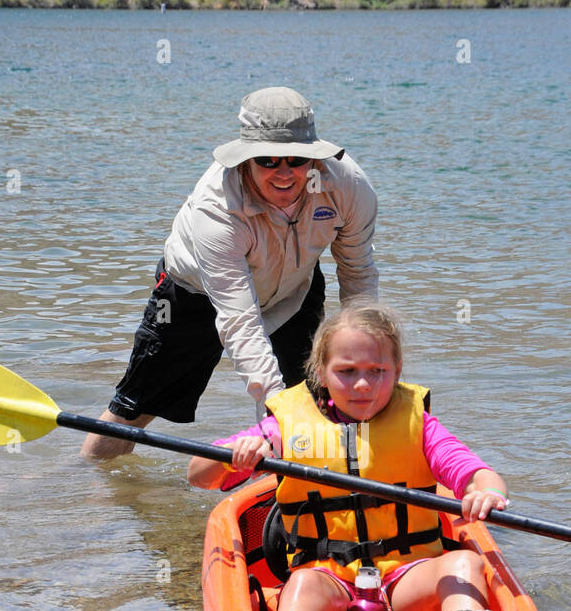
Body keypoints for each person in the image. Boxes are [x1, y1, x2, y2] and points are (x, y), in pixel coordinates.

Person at [81, 86, 379, 459]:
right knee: (134, 409)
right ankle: (91, 491)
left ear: (313, 158)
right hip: (195, 296)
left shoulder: (348, 186)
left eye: (296, 160)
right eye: (268, 161)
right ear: (246, 160)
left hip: (294, 290)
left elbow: (358, 276)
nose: (284, 173)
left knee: (313, 400)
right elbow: (240, 321)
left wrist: (371, 354)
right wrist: (275, 412)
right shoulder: (217, 208)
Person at [187, 305, 509, 611]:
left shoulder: (420, 427)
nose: (362, 385)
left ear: (397, 371)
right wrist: (234, 457)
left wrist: (488, 492)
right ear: (321, 373)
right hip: (327, 584)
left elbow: (475, 474)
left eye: (377, 371)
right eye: (347, 371)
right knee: (303, 585)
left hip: (409, 580)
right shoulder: (282, 429)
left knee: (464, 566)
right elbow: (199, 474)